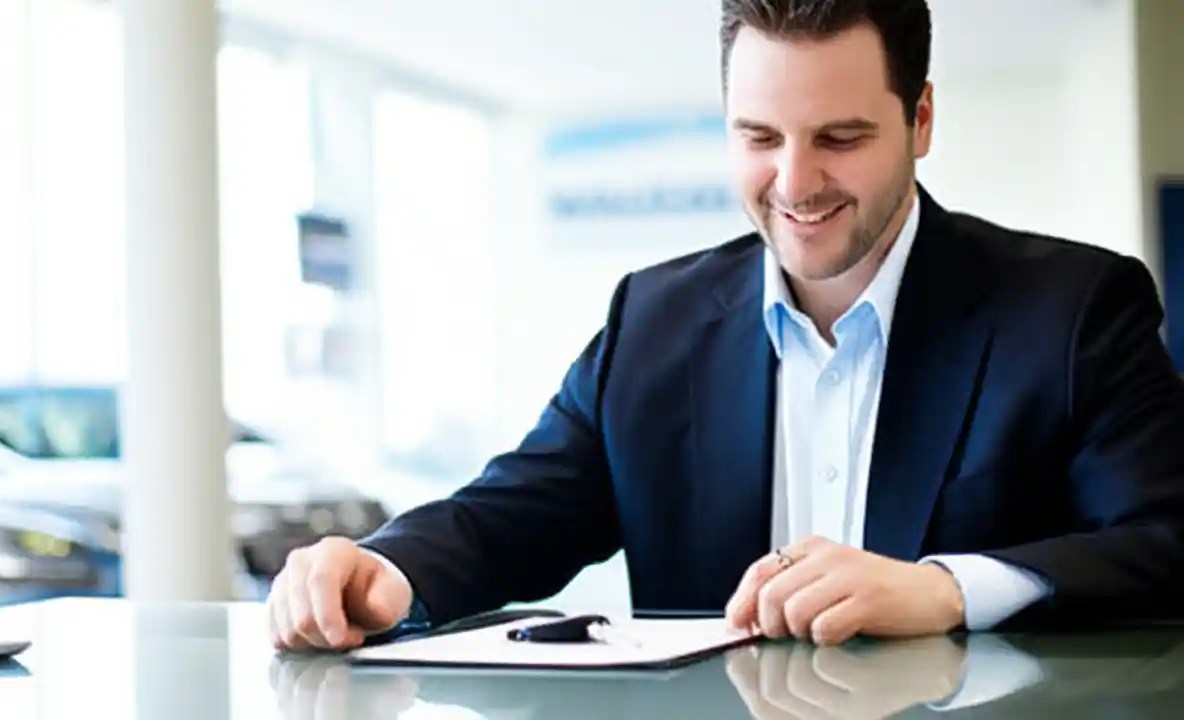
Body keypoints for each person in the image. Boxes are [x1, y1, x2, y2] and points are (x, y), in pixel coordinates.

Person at [267, 0, 1184, 651]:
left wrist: (943, 588)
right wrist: (388, 567)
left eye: (840, 138)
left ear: (923, 119)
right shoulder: (652, 320)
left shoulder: (1071, 309)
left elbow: (1164, 543)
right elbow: (516, 511)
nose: (794, 183)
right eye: (759, 136)